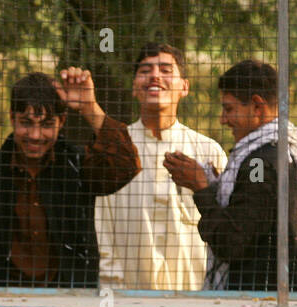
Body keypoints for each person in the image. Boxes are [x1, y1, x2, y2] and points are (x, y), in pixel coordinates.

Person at [0, 69, 139, 288]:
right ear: (12, 118)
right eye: (26, 123)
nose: (35, 135)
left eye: (47, 125)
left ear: (62, 121)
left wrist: (90, 108)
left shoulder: (80, 165)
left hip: (70, 300)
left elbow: (126, 164)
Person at [165, 58, 297, 292]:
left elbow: (232, 243)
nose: (223, 120)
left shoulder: (259, 162)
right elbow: (256, 217)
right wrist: (218, 187)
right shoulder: (293, 151)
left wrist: (201, 188)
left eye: (229, 109)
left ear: (257, 106)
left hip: (255, 304)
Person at [95, 43, 227, 291]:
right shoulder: (116, 148)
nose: (155, 76)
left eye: (166, 70)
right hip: (128, 299)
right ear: (134, 86)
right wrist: (112, 291)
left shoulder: (208, 151)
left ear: (184, 87)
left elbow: (223, 228)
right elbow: (103, 231)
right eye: (145, 70)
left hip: (196, 298)